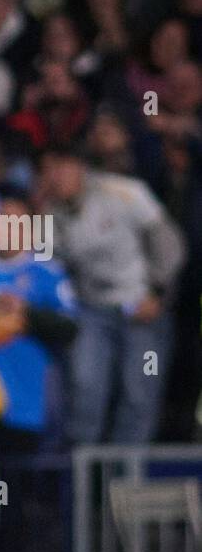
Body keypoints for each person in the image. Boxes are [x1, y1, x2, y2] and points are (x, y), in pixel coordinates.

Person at [0, 191, 77, 552]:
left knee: (15, 492)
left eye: (15, 221)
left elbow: (70, 330)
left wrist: (24, 314)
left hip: (26, 404)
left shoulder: (47, 273)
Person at [37, 144, 185, 444]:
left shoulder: (123, 192)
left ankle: (126, 485)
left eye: (61, 167)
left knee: (139, 393)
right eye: (48, 170)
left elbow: (170, 245)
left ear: (78, 166)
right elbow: (49, 269)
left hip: (141, 304)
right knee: (86, 390)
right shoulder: (48, 213)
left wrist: (157, 293)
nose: (55, 176)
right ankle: (85, 484)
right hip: (92, 310)